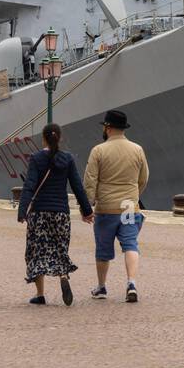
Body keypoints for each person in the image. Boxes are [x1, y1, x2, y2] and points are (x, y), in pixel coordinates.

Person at [18, 123, 94, 305]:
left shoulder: (36, 158)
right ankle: (63, 276)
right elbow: (77, 186)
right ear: (60, 138)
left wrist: (22, 211)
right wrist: (87, 211)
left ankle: (40, 294)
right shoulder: (67, 159)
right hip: (61, 213)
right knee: (59, 248)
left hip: (39, 214)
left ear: (43, 139)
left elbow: (29, 185)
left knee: (36, 252)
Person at [83, 109, 149, 302]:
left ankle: (102, 287)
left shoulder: (98, 150)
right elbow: (143, 178)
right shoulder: (137, 149)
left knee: (103, 250)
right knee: (130, 244)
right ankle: (131, 283)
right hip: (129, 207)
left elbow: (90, 180)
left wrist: (88, 205)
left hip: (106, 208)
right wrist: (133, 196)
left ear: (108, 128)